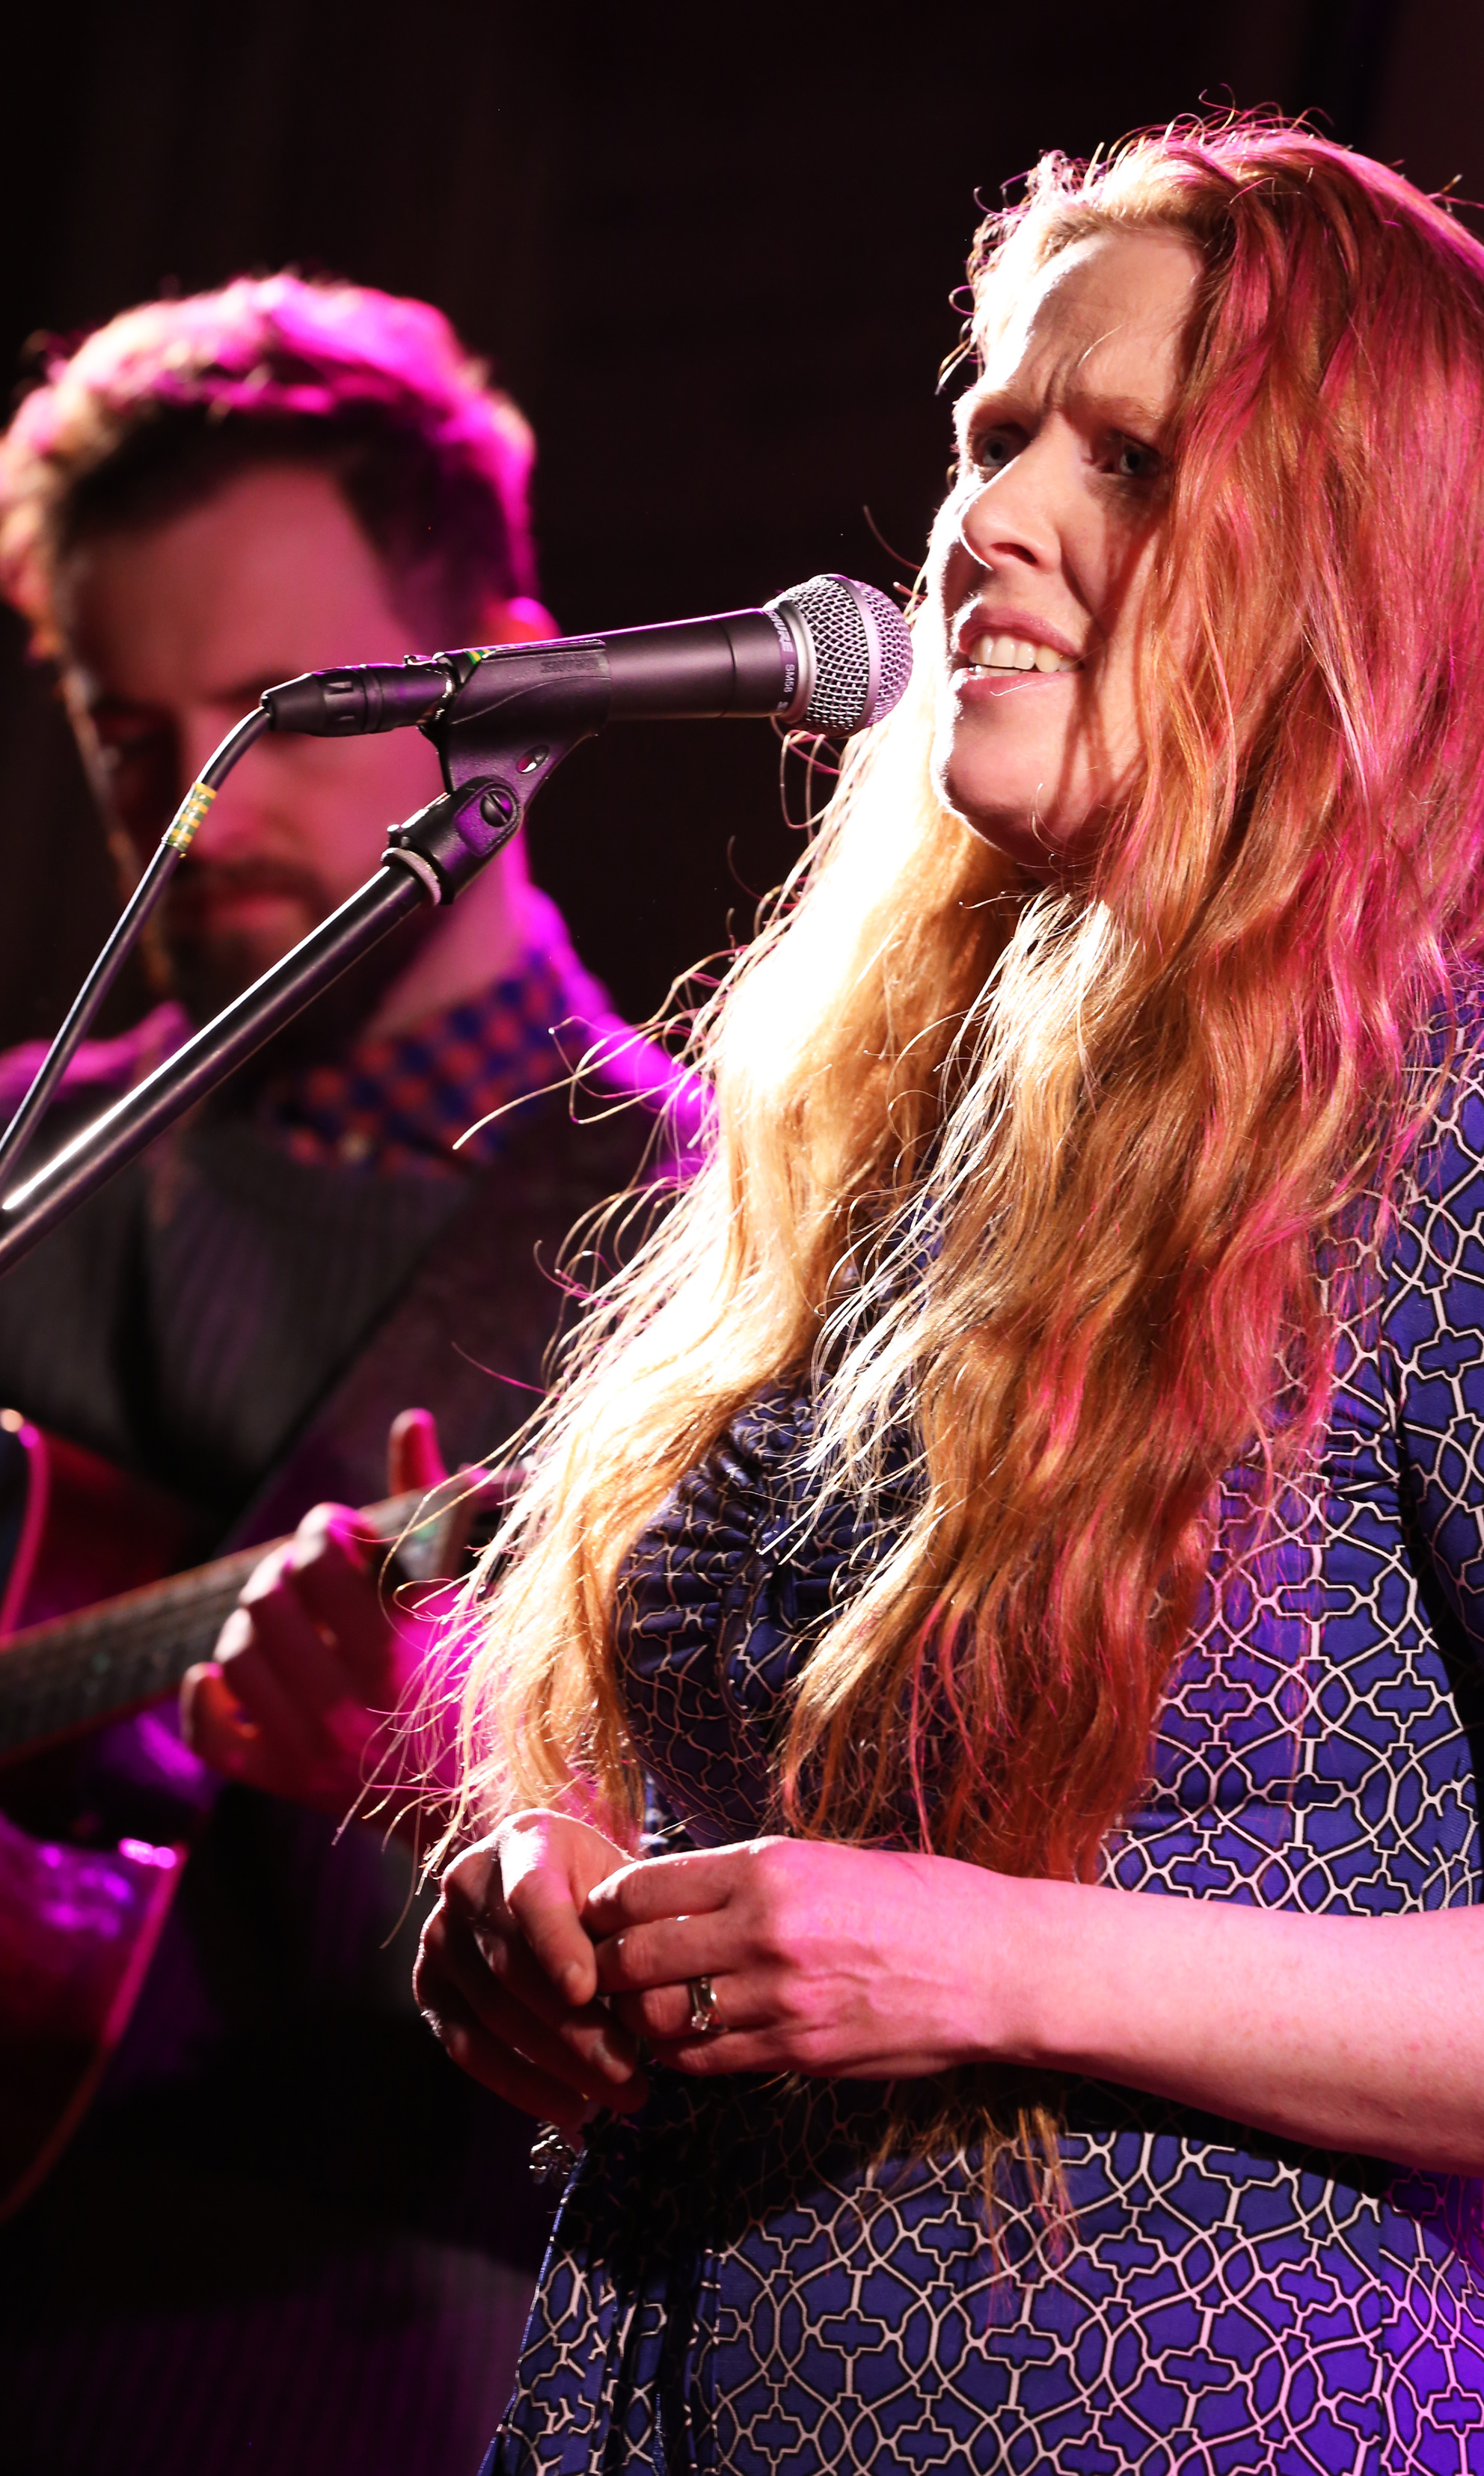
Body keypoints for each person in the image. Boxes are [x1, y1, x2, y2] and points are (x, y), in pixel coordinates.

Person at [385, 121, 1484, 2475]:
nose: (987, 518)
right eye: (992, 433)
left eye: (1126, 454)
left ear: (1346, 565)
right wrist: (544, 1907)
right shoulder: (876, 1128)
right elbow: (727, 1797)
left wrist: (991, 1957)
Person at [0, 277, 694, 2475]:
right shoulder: (23, 1146)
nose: (196, 820)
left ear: (501, 687)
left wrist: (433, 1778)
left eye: (277, 715)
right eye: (135, 739)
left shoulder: (722, 1238)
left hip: (359, 2349)